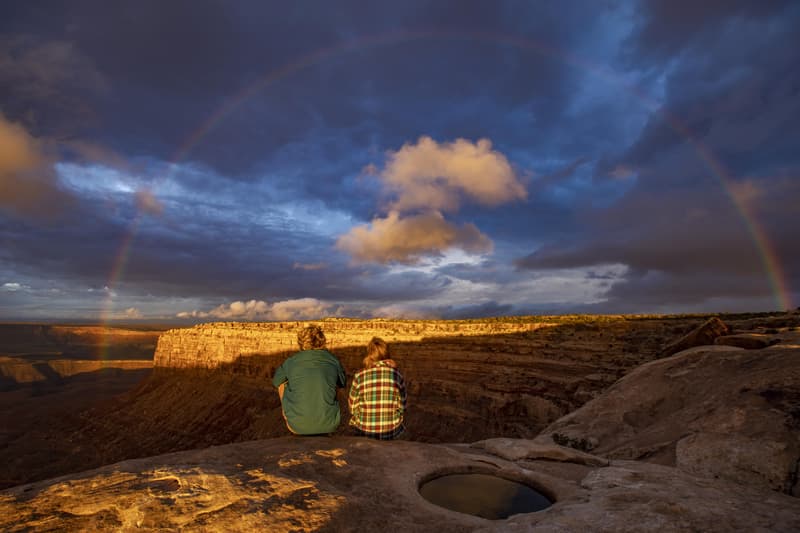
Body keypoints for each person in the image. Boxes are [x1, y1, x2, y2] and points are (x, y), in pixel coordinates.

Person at [272, 325, 346, 435]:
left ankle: (293, 414)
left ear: (301, 342)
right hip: (330, 425)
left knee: (283, 383)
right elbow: (343, 383)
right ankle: (326, 414)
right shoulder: (333, 360)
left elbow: (276, 382)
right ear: (322, 341)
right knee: (335, 383)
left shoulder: (291, 361)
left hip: (297, 426)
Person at [348, 337, 407, 440]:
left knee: (354, 422)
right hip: (391, 431)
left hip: (365, 430)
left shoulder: (359, 375)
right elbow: (402, 406)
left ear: (369, 354)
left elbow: (352, 408)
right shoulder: (397, 375)